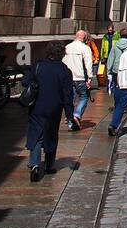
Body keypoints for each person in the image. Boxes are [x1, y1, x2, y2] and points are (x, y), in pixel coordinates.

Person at [24, 44, 74, 183]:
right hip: (54, 108)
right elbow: (67, 95)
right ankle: (49, 164)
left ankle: (34, 164)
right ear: (62, 54)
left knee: (36, 134)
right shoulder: (64, 71)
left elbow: (25, 81)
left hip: (37, 107)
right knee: (51, 134)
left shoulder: (38, 66)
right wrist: (70, 115)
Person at [63, 28, 93, 128]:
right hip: (80, 77)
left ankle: (70, 120)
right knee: (84, 97)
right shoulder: (85, 48)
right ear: (84, 38)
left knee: (70, 99)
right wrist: (89, 77)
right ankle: (77, 115)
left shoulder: (67, 47)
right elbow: (88, 63)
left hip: (68, 78)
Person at [105, 28, 127, 99]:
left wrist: (109, 71)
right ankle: (123, 104)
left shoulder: (115, 46)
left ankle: (117, 102)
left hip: (116, 69)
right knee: (125, 87)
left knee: (117, 86)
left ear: (119, 35)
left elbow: (111, 59)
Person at [98, 24, 118, 89]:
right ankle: (109, 81)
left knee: (114, 68)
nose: (110, 31)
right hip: (107, 55)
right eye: (109, 30)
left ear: (113, 29)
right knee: (108, 69)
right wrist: (102, 56)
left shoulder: (117, 36)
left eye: (111, 30)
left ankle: (114, 81)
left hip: (114, 55)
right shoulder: (105, 36)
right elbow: (102, 47)